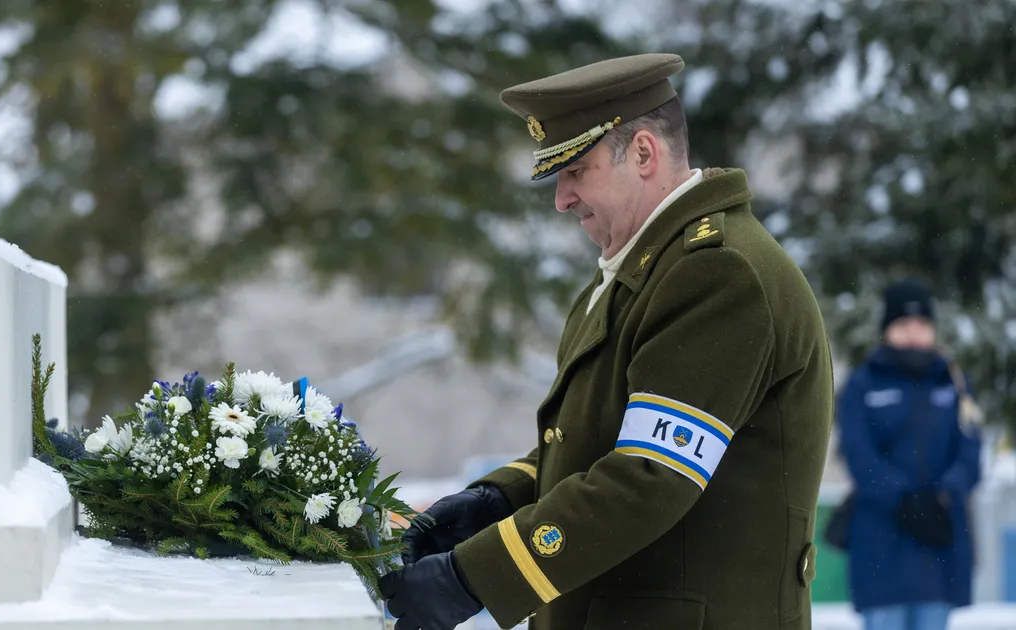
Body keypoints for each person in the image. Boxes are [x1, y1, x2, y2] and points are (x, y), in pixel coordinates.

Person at [377, 53, 835, 630]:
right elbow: (601, 442)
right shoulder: (639, 271)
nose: (561, 199)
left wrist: (476, 576)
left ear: (644, 153)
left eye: (575, 171)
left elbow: (649, 476)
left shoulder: (719, 275)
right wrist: (502, 499)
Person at [837, 277, 982, 630]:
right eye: (904, 323)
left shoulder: (955, 384)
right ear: (888, 329)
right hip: (880, 546)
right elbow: (858, 454)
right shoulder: (862, 384)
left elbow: (971, 452)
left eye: (922, 324)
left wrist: (945, 494)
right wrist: (902, 498)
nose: (914, 332)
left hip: (939, 545)